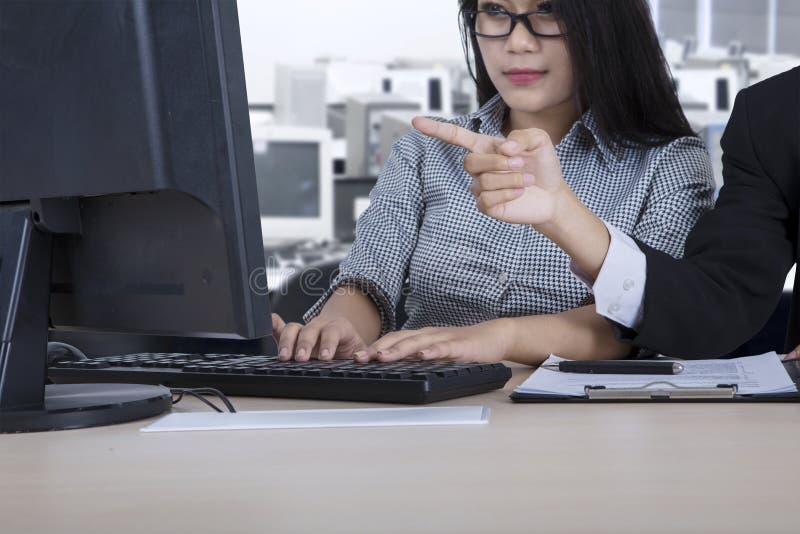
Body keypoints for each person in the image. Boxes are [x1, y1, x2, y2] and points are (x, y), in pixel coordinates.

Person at [272, 0, 715, 364]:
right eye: (497, 13)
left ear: (603, 25)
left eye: (548, 11)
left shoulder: (669, 164)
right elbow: (368, 277)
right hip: (427, 409)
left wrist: (496, 339)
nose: (517, 42)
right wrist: (338, 328)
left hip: (578, 425)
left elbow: (636, 323)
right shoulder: (426, 151)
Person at [421, 63, 800, 360]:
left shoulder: (671, 159)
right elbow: (719, 303)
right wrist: (561, 214)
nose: (519, 42)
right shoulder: (771, 114)